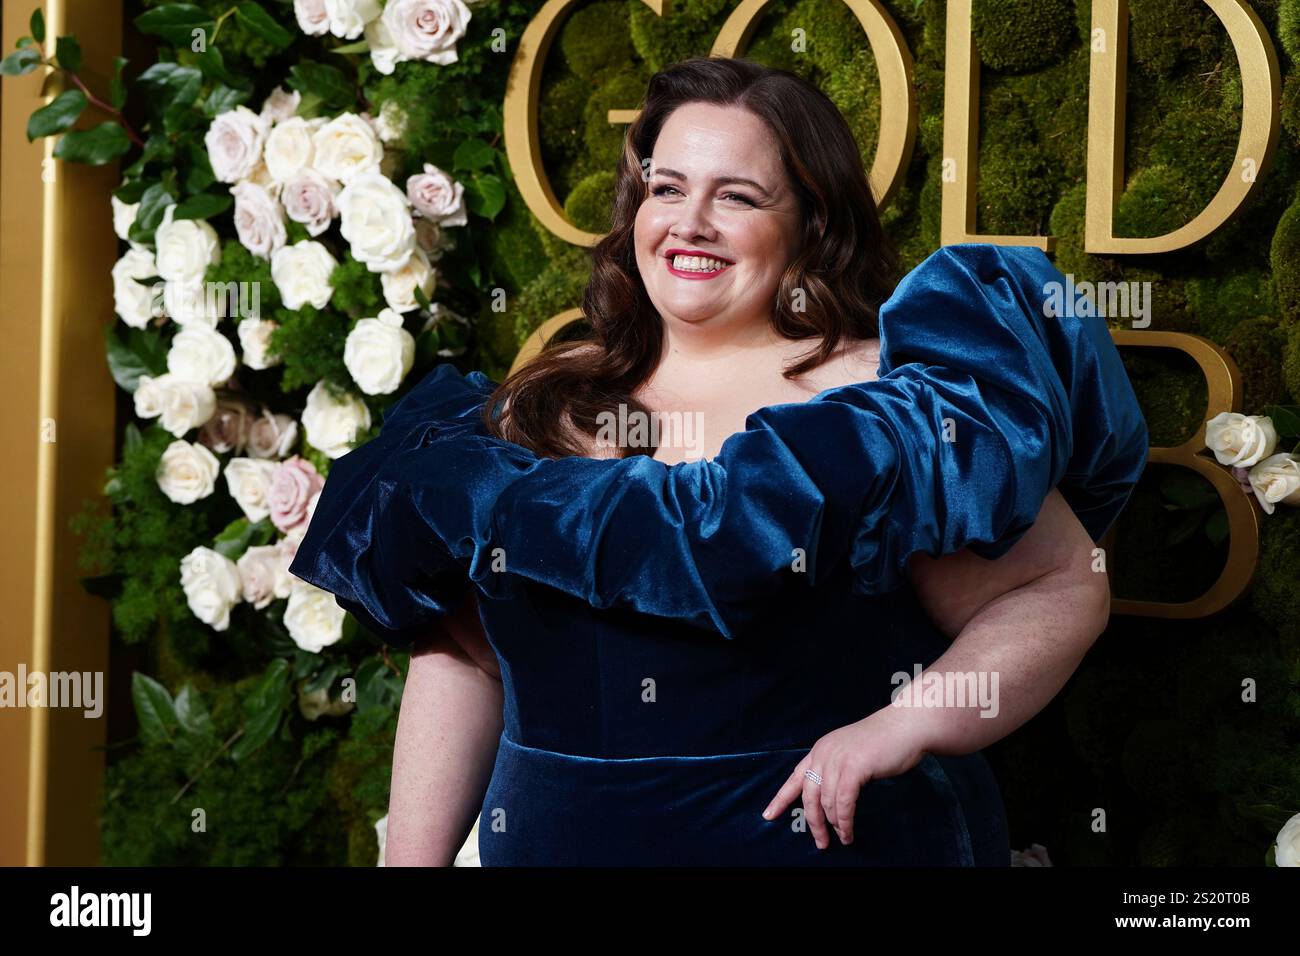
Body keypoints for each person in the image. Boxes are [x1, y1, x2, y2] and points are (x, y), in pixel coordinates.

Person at [288, 57, 1148, 865]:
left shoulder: (892, 405)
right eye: (667, 188)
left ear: (812, 222)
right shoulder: (539, 403)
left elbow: (1060, 587)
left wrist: (907, 725)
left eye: (736, 196)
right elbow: (466, 660)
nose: (689, 223)